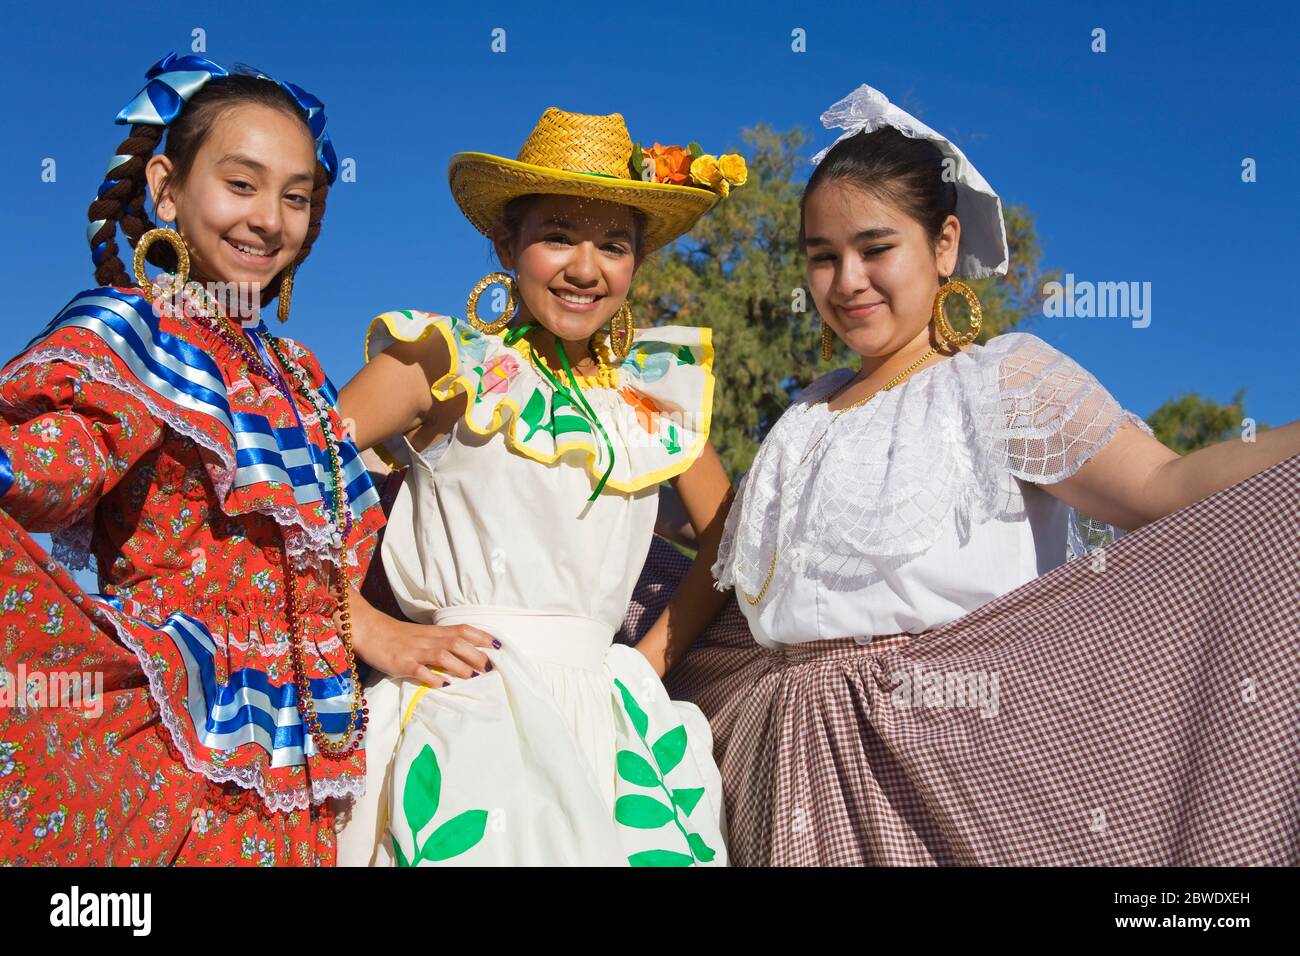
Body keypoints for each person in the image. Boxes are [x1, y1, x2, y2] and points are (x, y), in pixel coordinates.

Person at [630, 83, 1300, 866]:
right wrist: (625, 679)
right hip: (767, 767)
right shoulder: (803, 419)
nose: (847, 281)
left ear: (943, 245)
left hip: (940, 772)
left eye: (876, 249)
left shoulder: (1001, 384)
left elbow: (1166, 489)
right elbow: (729, 579)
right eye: (822, 257)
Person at [0, 53, 383, 865]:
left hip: (307, 767)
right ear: (168, 189)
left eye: (295, 197)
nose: (269, 220)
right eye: (241, 185)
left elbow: (327, 567)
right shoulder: (136, 334)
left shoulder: (304, 379)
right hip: (177, 745)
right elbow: (57, 458)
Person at [334, 108, 743, 866]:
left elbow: (732, 536)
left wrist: (647, 657)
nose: (586, 268)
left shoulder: (655, 398)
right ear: (505, 244)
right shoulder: (442, 361)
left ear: (637, 261)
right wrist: (363, 626)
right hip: (467, 709)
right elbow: (281, 468)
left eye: (614, 245)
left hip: (613, 730)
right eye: (558, 235)